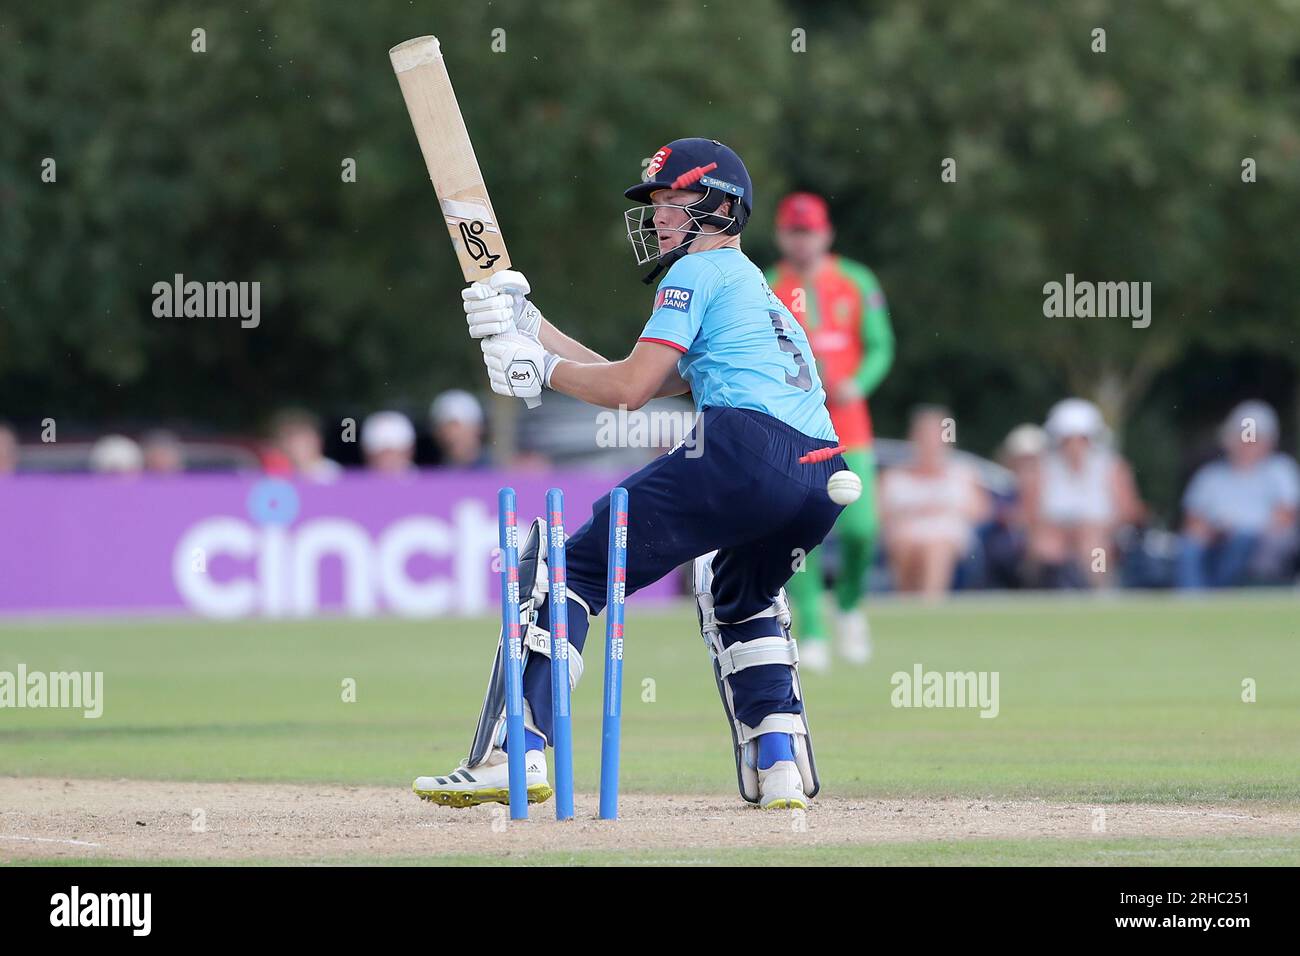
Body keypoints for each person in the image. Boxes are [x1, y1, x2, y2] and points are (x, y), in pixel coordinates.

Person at [414, 138, 844, 810]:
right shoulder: (749, 283)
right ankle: (779, 760)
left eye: (675, 202)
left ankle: (517, 751)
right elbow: (644, 376)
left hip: (741, 448)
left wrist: (539, 371)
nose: (660, 217)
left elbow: (631, 389)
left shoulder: (696, 274)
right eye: (659, 204)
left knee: (572, 569)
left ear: (723, 208)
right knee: (740, 597)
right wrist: (535, 329)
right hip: (821, 473)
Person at [764, 192, 895, 672]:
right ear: (782, 235)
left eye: (811, 231)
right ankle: (813, 628)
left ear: (827, 233)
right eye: (794, 232)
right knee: (801, 528)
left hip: (852, 429)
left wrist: (857, 385)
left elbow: (881, 346)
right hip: (797, 428)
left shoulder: (856, 281)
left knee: (862, 529)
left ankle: (850, 605)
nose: (803, 241)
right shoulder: (769, 285)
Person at [1177, 400, 1299, 589]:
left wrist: (1244, 528)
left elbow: (1287, 514)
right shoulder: (1211, 476)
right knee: (1190, 547)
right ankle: (1193, 601)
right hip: (1216, 541)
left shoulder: (1280, 470)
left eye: (1254, 438)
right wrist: (1214, 531)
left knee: (1242, 541)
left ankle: (1224, 594)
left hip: (1257, 541)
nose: (1247, 445)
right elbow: (1193, 520)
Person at [1028, 398, 1144, 588]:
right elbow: (1030, 514)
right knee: (1045, 547)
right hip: (1054, 533)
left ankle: (1100, 589)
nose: (1075, 446)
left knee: (1094, 548)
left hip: (1101, 534)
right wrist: (1060, 529)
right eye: (1068, 439)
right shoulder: (1042, 469)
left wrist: (1098, 527)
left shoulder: (1112, 468)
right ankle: (1048, 593)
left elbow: (1129, 511)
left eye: (1081, 438)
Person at [878, 406, 989, 598]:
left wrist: (940, 510)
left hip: (948, 538)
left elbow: (981, 512)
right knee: (906, 543)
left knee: (936, 547)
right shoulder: (893, 477)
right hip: (904, 536)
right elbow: (878, 515)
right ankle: (907, 600)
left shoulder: (963, 474)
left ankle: (930, 602)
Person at [270, 409, 342, 482]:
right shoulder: (282, 475)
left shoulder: (331, 474)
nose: (294, 445)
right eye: (288, 440)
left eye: (300, 440)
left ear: (316, 440)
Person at [429, 389, 490, 469]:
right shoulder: (436, 471)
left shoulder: (497, 470)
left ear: (478, 429)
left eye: (457, 426)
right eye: (444, 428)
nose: (450, 434)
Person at [360, 411, 417, 476]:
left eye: (395, 450)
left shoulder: (427, 481)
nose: (388, 458)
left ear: (410, 450)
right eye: (380, 451)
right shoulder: (355, 482)